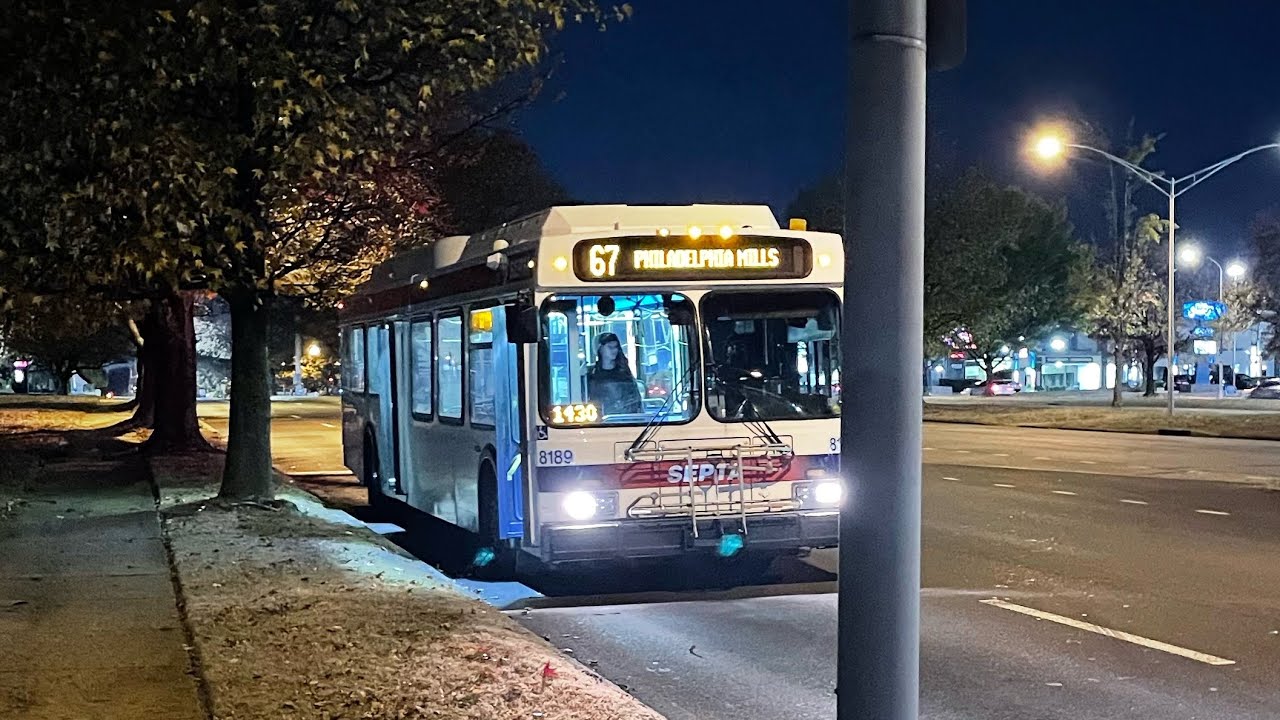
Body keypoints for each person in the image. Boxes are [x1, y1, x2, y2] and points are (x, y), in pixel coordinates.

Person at [587, 332, 642, 415]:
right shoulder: (591, 373)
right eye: (610, 347)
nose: (614, 350)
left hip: (623, 419)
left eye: (615, 347)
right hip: (597, 420)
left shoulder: (624, 372)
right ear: (599, 349)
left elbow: (634, 400)